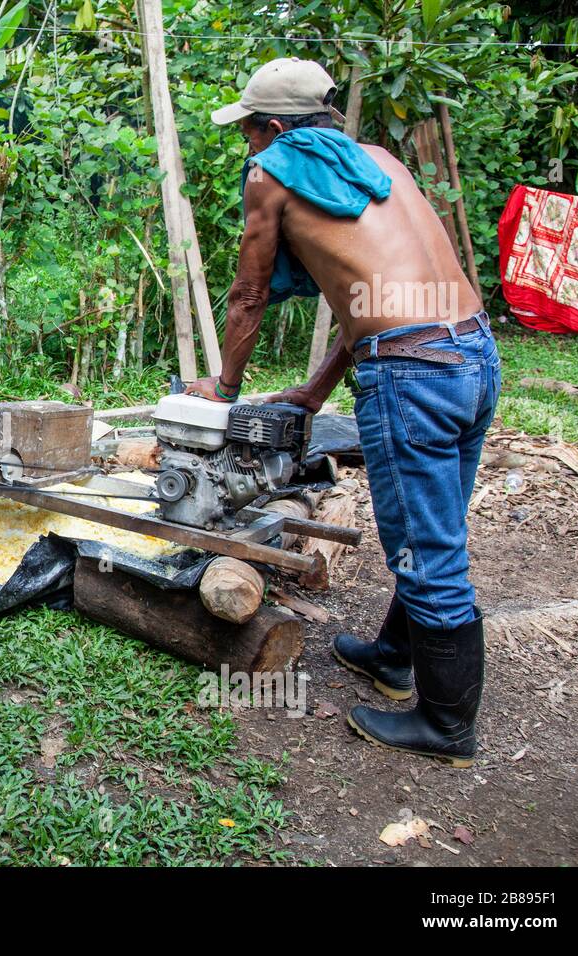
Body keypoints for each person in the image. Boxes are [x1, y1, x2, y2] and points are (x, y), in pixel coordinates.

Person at [187, 57, 501, 768]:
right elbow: (378, 298)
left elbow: (249, 295)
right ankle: (393, 655)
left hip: (413, 374)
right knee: (436, 523)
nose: (248, 148)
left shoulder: (274, 173)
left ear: (273, 127)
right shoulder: (378, 160)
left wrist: (225, 389)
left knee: (429, 550)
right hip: (474, 354)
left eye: (249, 133)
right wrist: (319, 389)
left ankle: (449, 728)